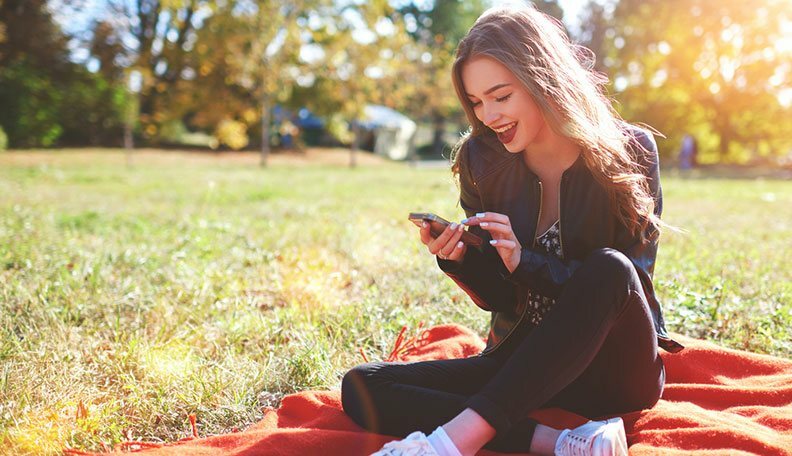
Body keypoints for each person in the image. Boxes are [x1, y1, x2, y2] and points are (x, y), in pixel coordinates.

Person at [341, 5, 684, 456]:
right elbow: (500, 300)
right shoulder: (480, 162)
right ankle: (561, 443)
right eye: (477, 102)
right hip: (522, 364)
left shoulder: (630, 151)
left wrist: (529, 262)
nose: (488, 116)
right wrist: (460, 259)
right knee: (363, 385)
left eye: (501, 96)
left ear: (544, 80)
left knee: (610, 267)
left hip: (614, 371)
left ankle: (448, 445)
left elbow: (628, 284)